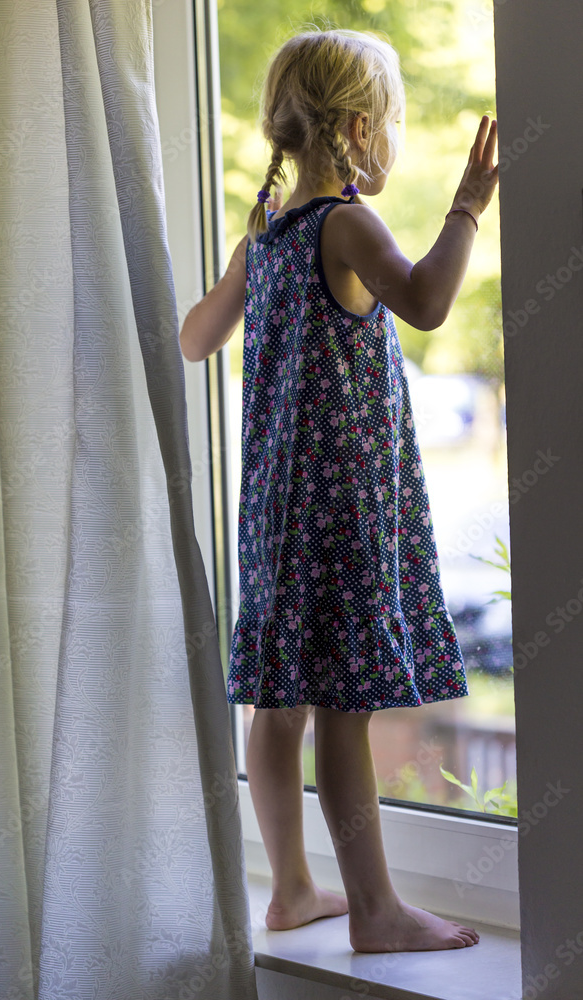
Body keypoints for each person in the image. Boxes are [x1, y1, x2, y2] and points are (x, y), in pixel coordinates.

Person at [180, 27, 498, 953]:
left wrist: (233, 273)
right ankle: (374, 910)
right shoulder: (344, 223)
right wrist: (467, 208)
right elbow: (429, 302)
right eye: (390, 124)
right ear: (359, 129)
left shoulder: (268, 236)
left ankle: (288, 891)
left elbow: (198, 338)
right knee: (343, 711)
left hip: (275, 514)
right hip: (344, 507)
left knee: (278, 706)